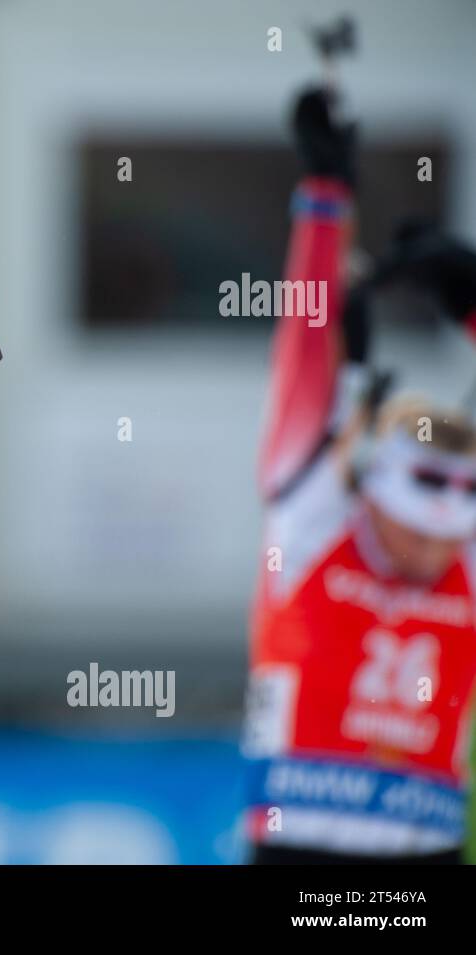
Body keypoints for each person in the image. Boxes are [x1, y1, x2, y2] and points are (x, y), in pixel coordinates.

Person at [244, 87, 476, 863]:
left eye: (458, 515)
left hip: (424, 853)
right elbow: (305, 356)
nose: (438, 540)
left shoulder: (463, 550)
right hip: (301, 856)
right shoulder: (313, 513)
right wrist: (324, 197)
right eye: (420, 515)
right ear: (375, 486)